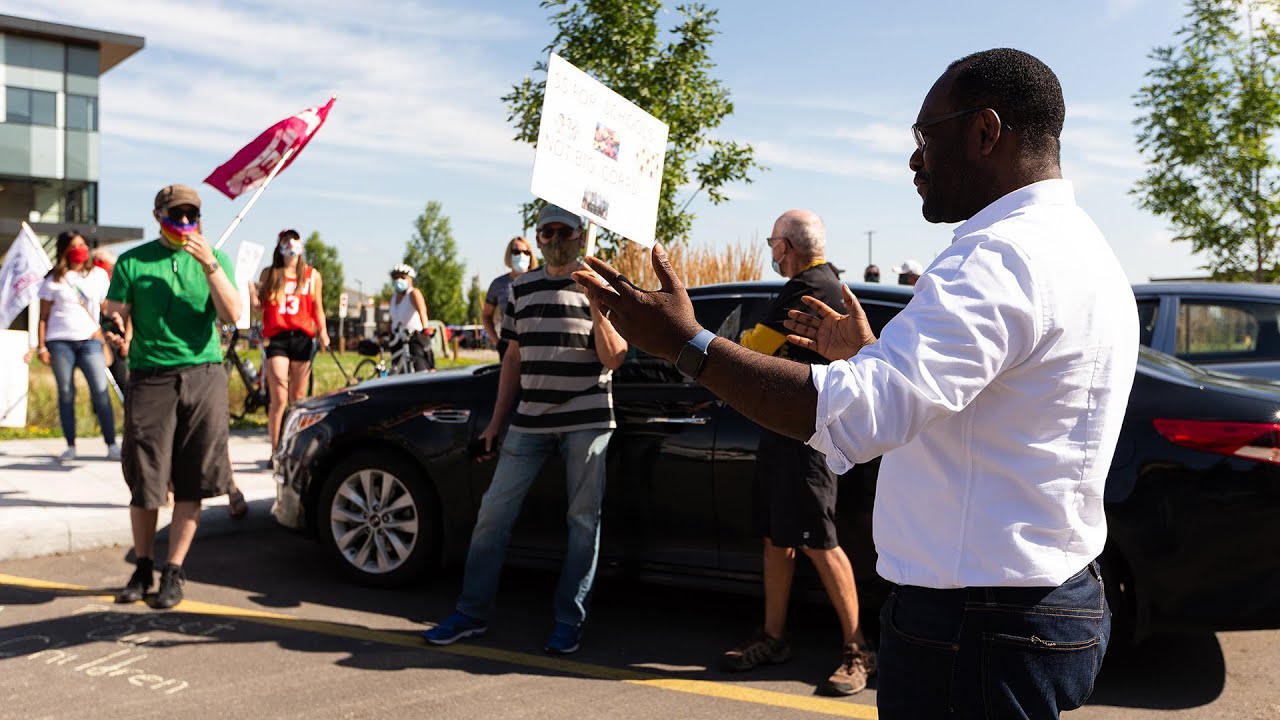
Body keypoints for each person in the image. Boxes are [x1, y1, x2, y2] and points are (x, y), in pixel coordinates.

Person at [574, 48, 1138, 718]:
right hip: (1041, 602)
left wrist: (684, 343)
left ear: (986, 132)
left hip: (975, 625)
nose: (915, 160)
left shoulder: (996, 258)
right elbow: (985, 403)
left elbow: (858, 416)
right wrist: (874, 357)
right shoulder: (1080, 247)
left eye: (925, 136)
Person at [423, 203, 627, 655]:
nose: (555, 239)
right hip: (530, 420)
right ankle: (471, 612)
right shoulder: (521, 289)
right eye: (546, 232)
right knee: (492, 515)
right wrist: (497, 423)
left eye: (563, 231)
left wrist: (597, 306)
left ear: (580, 236)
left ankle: (569, 619)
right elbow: (512, 360)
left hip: (587, 419)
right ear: (537, 240)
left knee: (583, 522)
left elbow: (615, 358)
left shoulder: (601, 285)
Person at [724, 209, 873, 696]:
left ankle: (858, 649)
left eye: (772, 242)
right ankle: (773, 637)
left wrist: (736, 342)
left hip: (808, 438)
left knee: (818, 541)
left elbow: (755, 349)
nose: (771, 250)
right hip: (784, 432)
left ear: (785, 246)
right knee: (776, 538)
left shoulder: (809, 287)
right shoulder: (822, 283)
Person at [105, 184, 240, 609]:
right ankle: (143, 565)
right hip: (151, 376)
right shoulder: (132, 261)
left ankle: (174, 570)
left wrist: (210, 266)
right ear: (158, 216)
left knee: (192, 477)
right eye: (175, 215)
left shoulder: (216, 258)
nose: (184, 223)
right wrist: (114, 328)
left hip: (203, 374)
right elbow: (114, 313)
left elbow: (234, 314)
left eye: (190, 215)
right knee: (145, 477)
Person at [32, 230, 119, 462]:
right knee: (66, 393)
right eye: (73, 246)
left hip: (90, 340)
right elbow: (43, 317)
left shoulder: (98, 275)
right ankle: (70, 445)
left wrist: (117, 322)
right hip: (60, 341)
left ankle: (111, 443)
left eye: (82, 244)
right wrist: (41, 346)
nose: (79, 250)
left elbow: (106, 306)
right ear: (64, 250)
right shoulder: (53, 279)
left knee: (100, 391)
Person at [256, 229, 329, 455]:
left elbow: (317, 307)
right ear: (279, 246)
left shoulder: (312, 275)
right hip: (277, 337)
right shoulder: (270, 273)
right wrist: (251, 293)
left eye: (294, 240)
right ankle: (276, 450)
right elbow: (259, 307)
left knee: (298, 398)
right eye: (286, 240)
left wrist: (323, 332)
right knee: (279, 397)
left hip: (302, 337)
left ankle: (296, 448)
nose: (291, 245)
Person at [484, 236, 538, 359]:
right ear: (509, 254)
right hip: (508, 349)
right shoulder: (498, 284)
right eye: (516, 252)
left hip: (535, 348)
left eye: (526, 252)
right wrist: (497, 342)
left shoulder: (540, 281)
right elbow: (486, 316)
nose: (521, 255)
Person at [92, 247, 130, 398]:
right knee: (97, 383)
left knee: (123, 380)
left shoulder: (119, 285)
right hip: (97, 338)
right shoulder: (90, 283)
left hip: (117, 339)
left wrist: (125, 338)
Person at [388, 264, 433, 371]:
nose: (399, 280)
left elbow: (422, 311)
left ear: (410, 279)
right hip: (397, 338)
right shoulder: (393, 297)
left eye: (403, 277)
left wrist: (425, 329)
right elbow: (392, 318)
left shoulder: (413, 293)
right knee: (398, 369)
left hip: (413, 337)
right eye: (396, 278)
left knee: (420, 367)